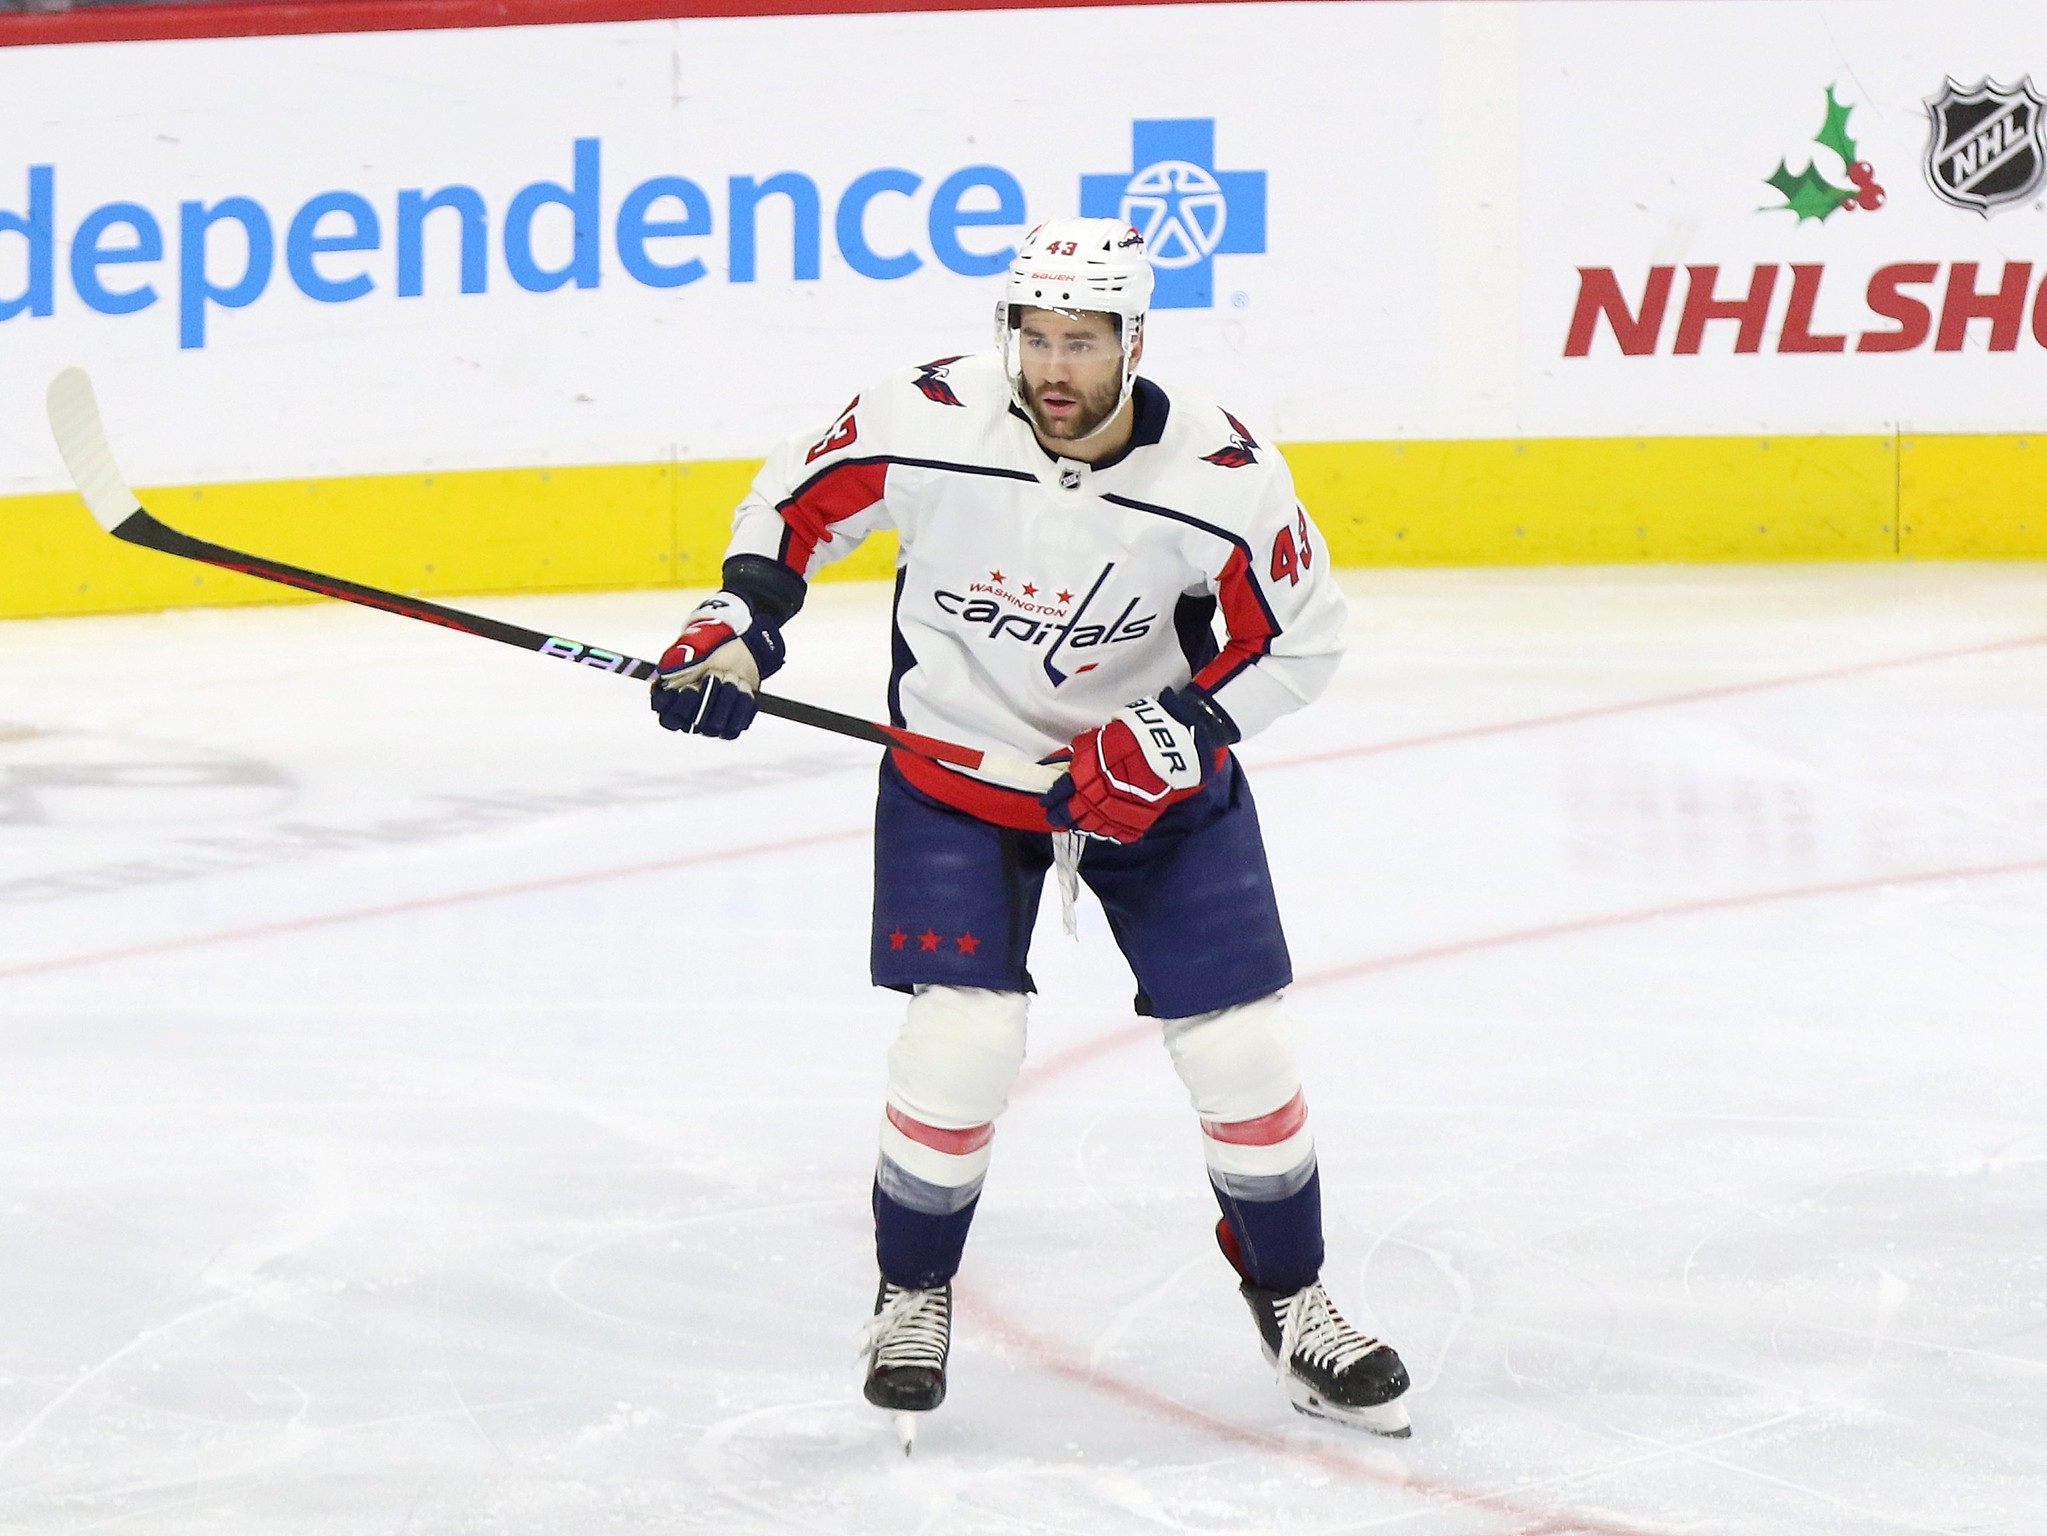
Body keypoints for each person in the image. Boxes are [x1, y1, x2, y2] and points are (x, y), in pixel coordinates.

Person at [649, 217, 1411, 1440]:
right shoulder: (925, 416)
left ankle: (1297, 1301)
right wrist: (739, 621)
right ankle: (911, 1293)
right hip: (957, 771)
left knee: (1241, 1053)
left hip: (1152, 790)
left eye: (1083, 341)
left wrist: (1180, 731)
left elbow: (1300, 638)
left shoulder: (1223, 476)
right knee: (962, 1041)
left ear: (1133, 342)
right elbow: (794, 508)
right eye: (1035, 336)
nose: (1054, 367)